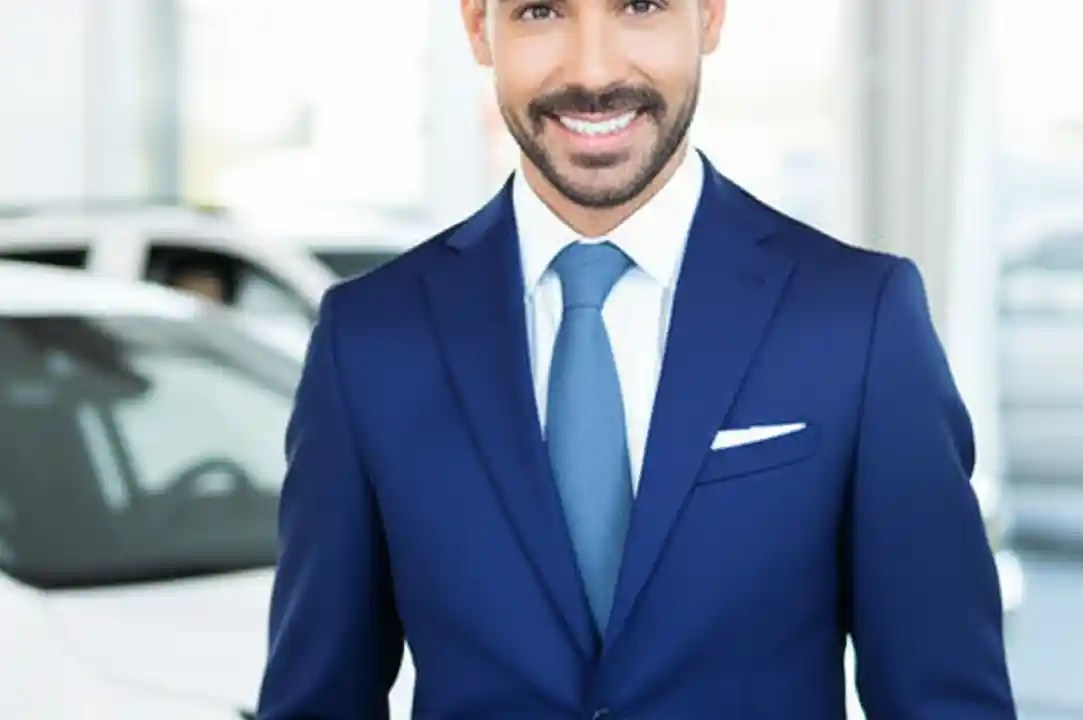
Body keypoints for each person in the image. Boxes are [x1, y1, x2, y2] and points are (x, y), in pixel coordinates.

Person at [257, 1, 1017, 718]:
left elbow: (944, 701)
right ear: (477, 26)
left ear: (710, 15)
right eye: (542, 11)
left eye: (643, 5)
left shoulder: (858, 318)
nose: (593, 72)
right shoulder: (369, 340)